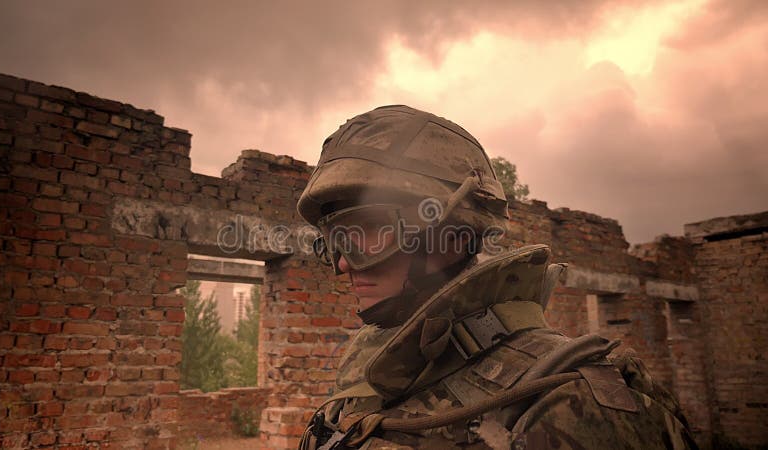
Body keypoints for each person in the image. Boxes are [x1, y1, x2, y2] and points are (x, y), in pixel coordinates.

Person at [296, 105, 697, 449]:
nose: (345, 265)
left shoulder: (572, 404)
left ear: (452, 232)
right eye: (335, 241)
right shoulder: (371, 380)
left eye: (367, 231)